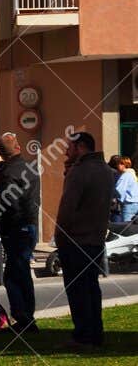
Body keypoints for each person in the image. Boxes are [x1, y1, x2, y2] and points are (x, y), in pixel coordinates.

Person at [55, 131, 116, 350]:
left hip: (76, 240)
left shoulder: (80, 172)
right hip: (95, 239)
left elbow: (67, 209)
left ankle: (83, 336)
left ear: (80, 147)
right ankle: (94, 334)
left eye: (69, 147)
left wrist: (59, 237)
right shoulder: (106, 171)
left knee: (78, 291)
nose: (65, 151)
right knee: (91, 288)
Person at [0, 132, 40, 333]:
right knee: (22, 273)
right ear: (19, 148)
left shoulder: (7, 173)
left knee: (12, 276)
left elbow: (7, 201)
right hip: (30, 225)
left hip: (16, 228)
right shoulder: (31, 168)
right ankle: (27, 316)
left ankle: (24, 317)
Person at [109, 155, 138, 227]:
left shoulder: (125, 175)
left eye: (116, 165)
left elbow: (119, 191)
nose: (115, 167)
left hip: (129, 205)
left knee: (126, 227)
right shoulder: (128, 173)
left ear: (123, 164)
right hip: (133, 204)